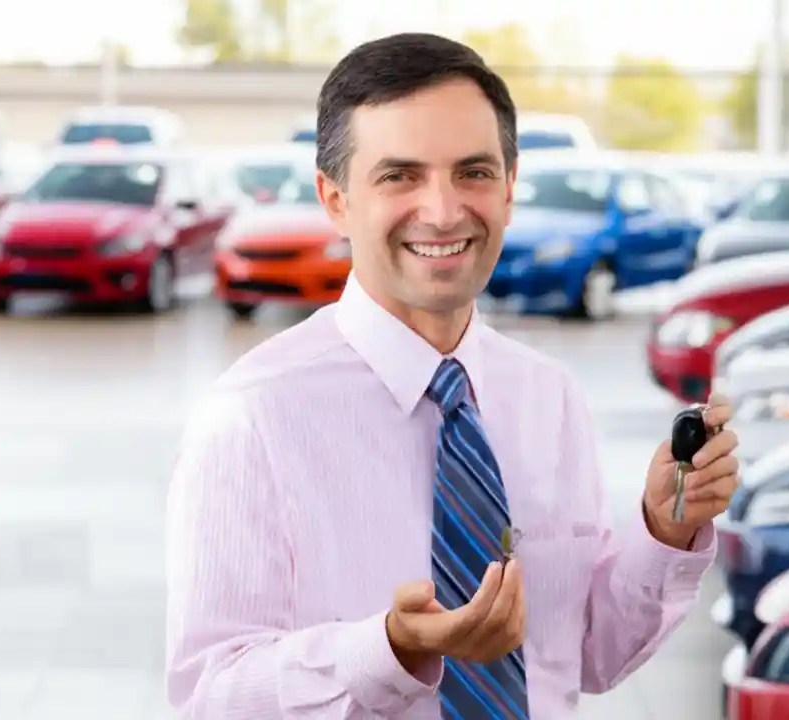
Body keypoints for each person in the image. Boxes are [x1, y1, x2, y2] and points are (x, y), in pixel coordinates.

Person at [165, 32, 741, 719]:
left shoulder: (546, 395)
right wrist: (388, 651)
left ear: (510, 185)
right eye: (399, 175)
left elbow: (583, 654)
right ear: (335, 199)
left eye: (473, 172)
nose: (442, 211)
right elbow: (210, 697)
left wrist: (667, 523)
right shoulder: (251, 415)